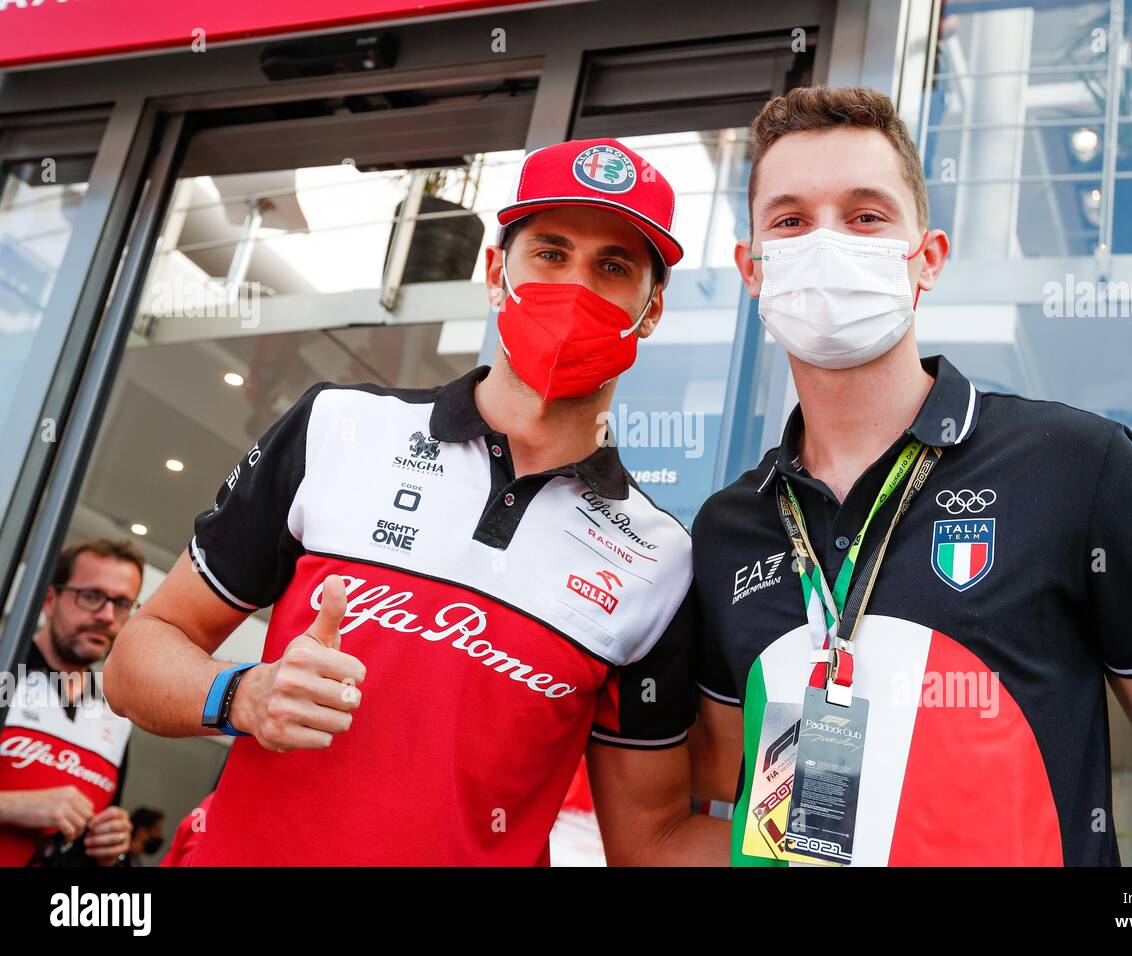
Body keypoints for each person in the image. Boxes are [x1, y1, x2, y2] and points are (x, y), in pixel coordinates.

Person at [688, 85, 1132, 866]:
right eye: (790, 221)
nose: (828, 243)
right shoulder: (726, 529)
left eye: (867, 215)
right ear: (752, 269)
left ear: (929, 258)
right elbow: (719, 791)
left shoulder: (1077, 467)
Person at [104, 137, 727, 866]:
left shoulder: (661, 559)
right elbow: (135, 661)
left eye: (613, 267)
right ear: (496, 272)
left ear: (649, 312)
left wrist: (857, 842)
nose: (576, 289)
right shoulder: (339, 426)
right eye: (551, 254)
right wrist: (241, 695)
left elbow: (650, 841)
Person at [0, 539, 142, 866]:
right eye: (91, 597)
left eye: (121, 603)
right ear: (50, 600)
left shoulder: (117, 709)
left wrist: (114, 841)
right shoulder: (6, 670)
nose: (107, 616)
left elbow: (104, 821)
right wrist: (11, 806)